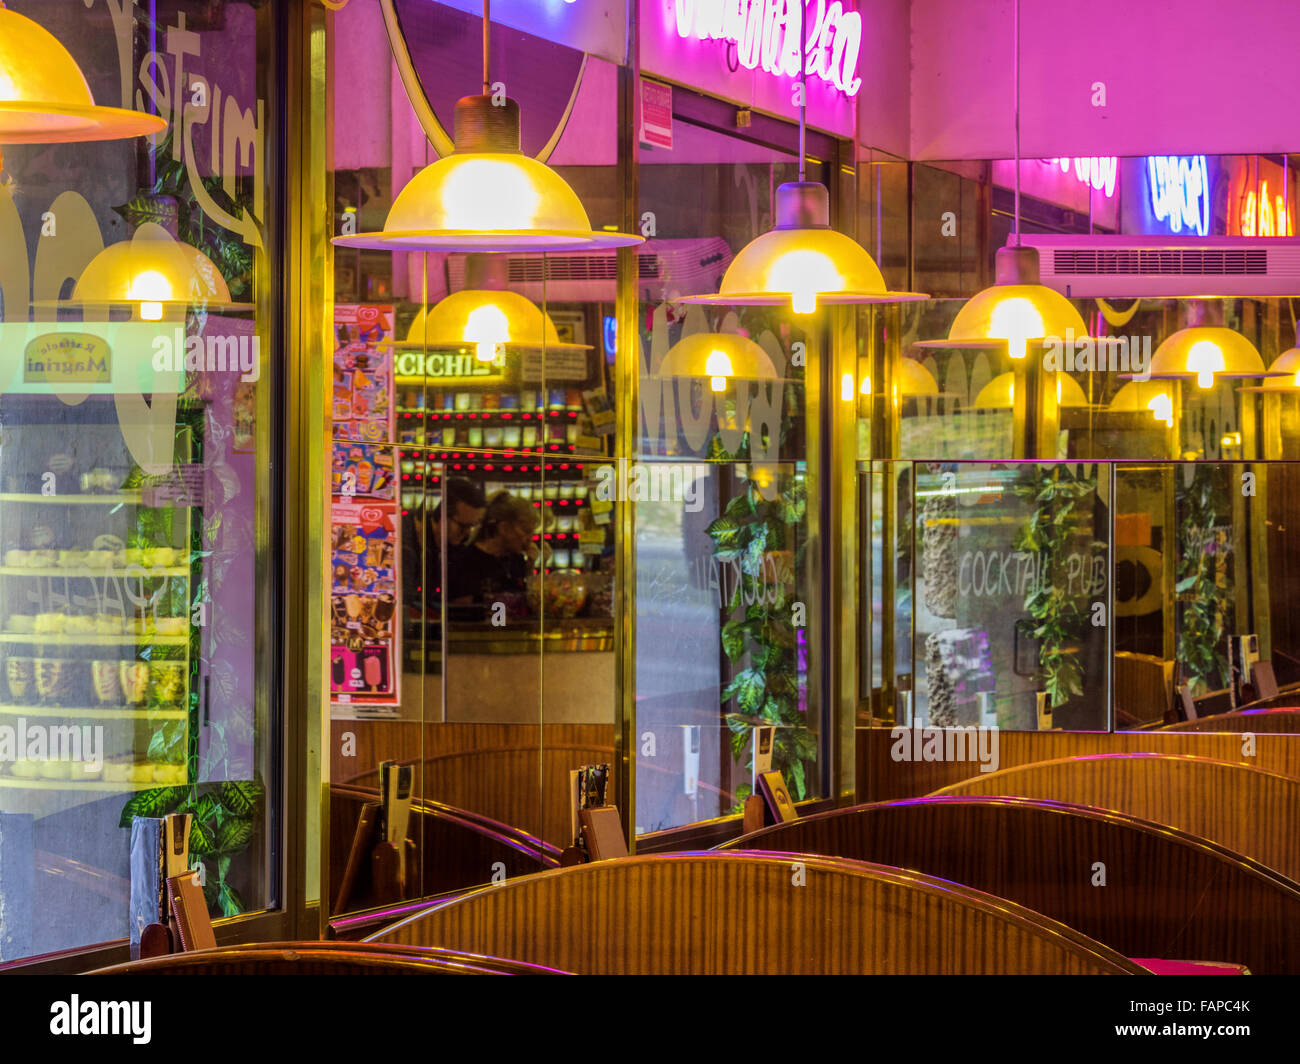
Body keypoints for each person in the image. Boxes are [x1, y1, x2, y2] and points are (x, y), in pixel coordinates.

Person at [401, 477, 487, 610]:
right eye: (463, 526)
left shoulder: (454, 546)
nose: (468, 533)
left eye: (472, 526)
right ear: (442, 515)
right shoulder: (407, 540)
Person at [447, 491, 540, 605]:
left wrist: (530, 567)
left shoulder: (517, 559)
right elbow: (463, 614)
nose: (530, 539)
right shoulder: (465, 561)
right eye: (526, 531)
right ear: (504, 528)